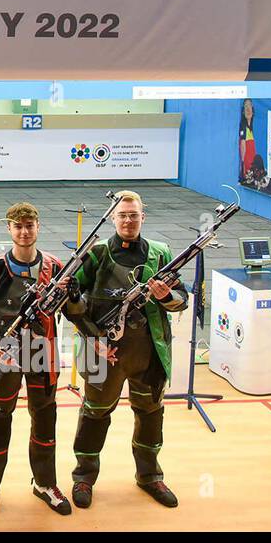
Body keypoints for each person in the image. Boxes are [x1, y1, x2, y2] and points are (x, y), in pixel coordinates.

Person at [65, 190, 188, 509]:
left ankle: (150, 476)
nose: (129, 220)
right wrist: (93, 338)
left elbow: (182, 301)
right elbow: (70, 302)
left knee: (150, 414)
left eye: (134, 215)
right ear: (113, 218)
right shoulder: (95, 253)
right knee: (94, 414)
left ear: (143, 217)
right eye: (123, 215)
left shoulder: (161, 253)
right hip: (103, 354)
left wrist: (163, 297)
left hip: (148, 353)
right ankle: (83, 477)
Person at [0, 202, 72, 517]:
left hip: (42, 351)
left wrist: (76, 296)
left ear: (38, 227)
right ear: (10, 229)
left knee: (44, 417)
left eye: (30, 225)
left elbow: (73, 311)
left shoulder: (56, 266)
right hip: (7, 352)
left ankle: (44, 483)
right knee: (0, 418)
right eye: (18, 226)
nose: (24, 231)